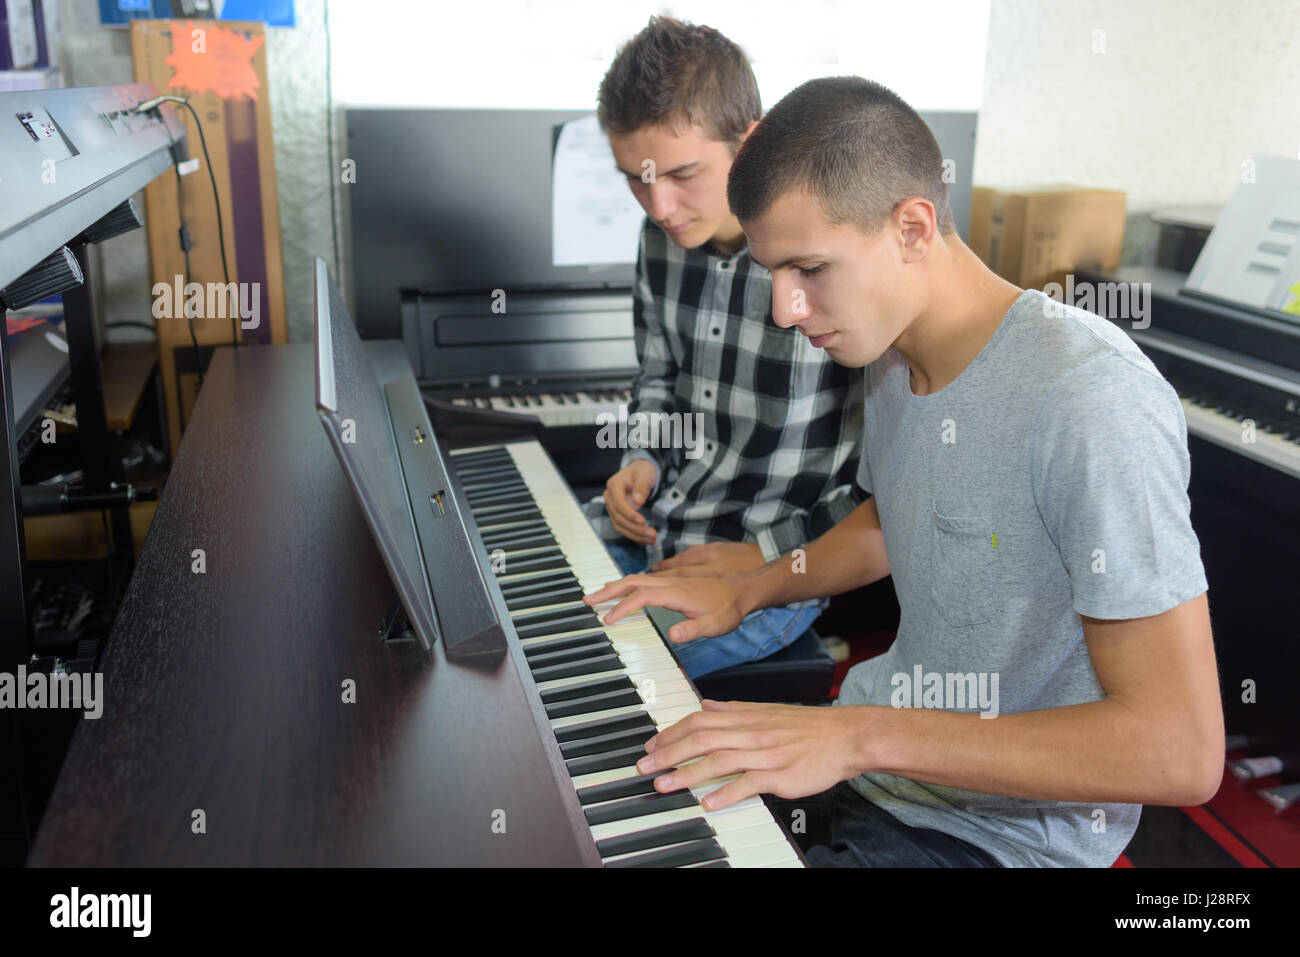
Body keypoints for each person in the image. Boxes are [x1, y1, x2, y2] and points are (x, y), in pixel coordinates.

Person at [585, 76, 1224, 867]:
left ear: (914, 228)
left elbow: (1180, 750)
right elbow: (895, 519)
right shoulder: (888, 352)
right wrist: (751, 583)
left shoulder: (1090, 398)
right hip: (879, 767)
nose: (785, 309)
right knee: (607, 801)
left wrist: (858, 735)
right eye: (774, 273)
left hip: (989, 836)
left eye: (809, 269)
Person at [585, 18, 865, 679]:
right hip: (657, 533)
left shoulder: (831, 261)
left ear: (751, 141)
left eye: (683, 174)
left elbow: (881, 485)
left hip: (766, 572)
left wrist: (769, 555)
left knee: (600, 670)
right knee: (521, 606)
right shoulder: (659, 237)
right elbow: (657, 377)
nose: (658, 205)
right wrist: (643, 459)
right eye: (635, 178)